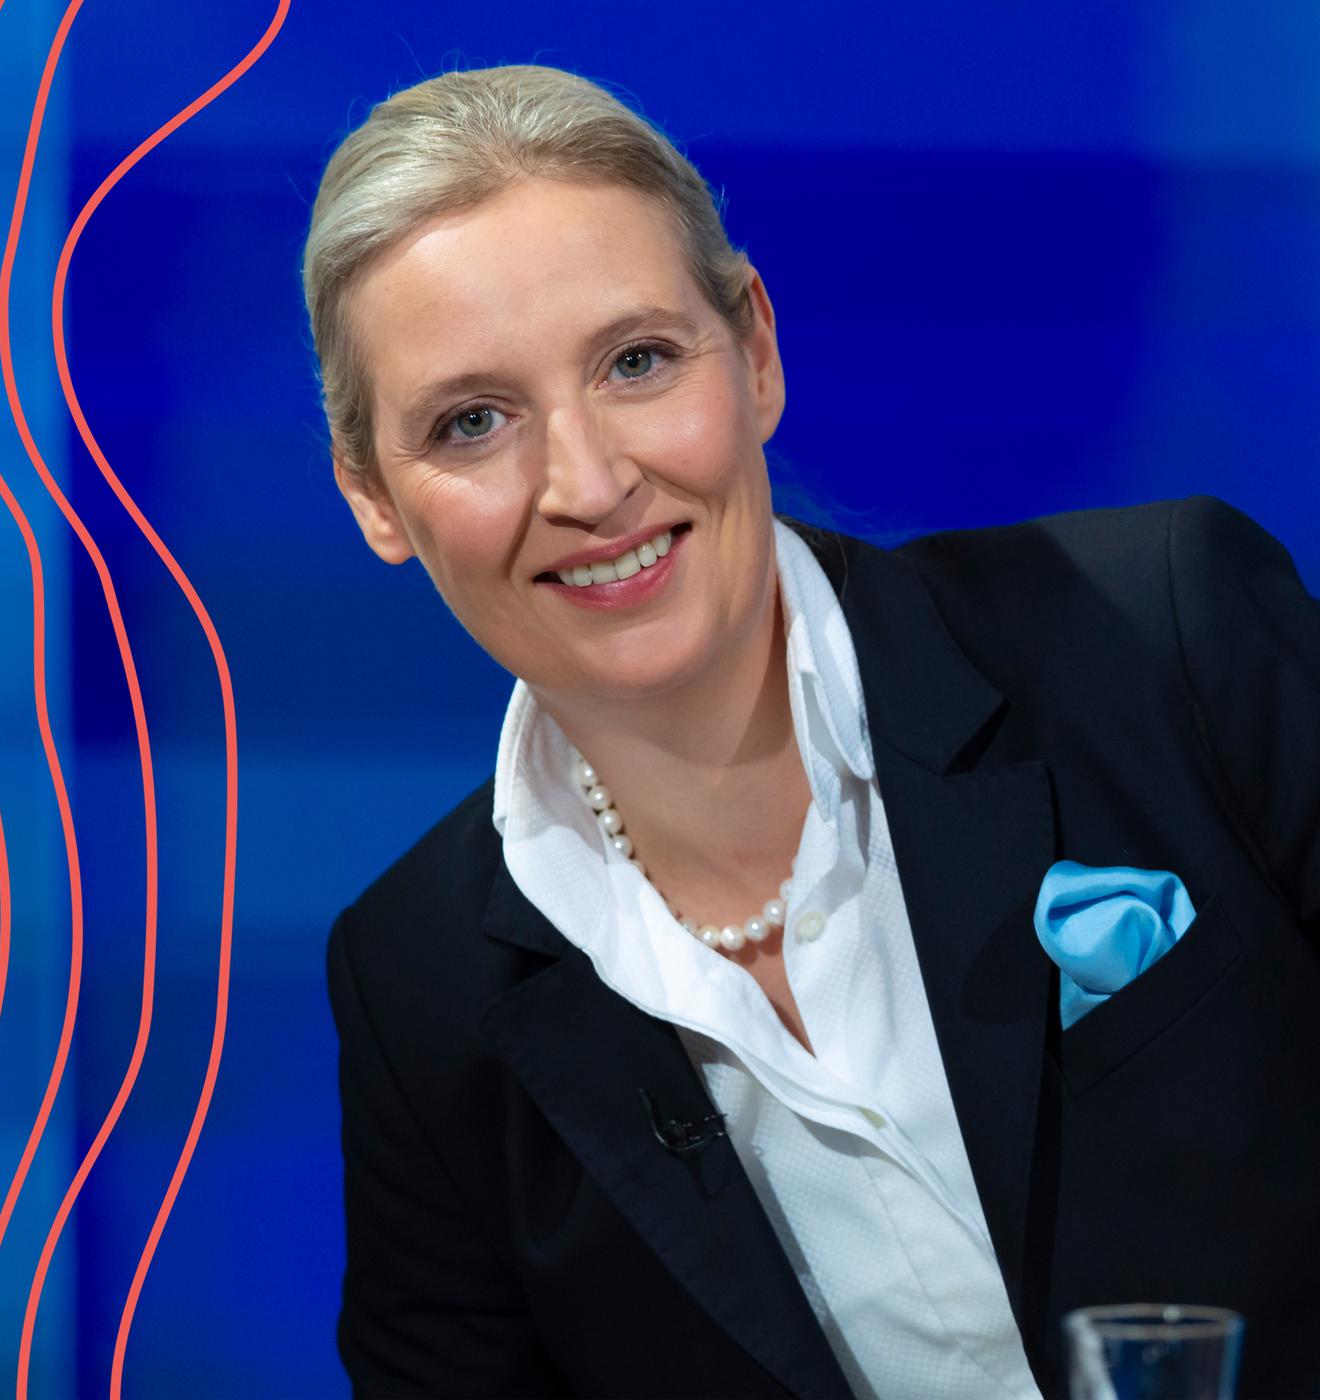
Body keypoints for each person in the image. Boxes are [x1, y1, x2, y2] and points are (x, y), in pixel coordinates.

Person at [305, 64, 1320, 1400]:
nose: (589, 484)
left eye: (636, 361)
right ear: (375, 499)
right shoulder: (417, 985)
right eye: (473, 422)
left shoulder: (1166, 633)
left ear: (757, 353)